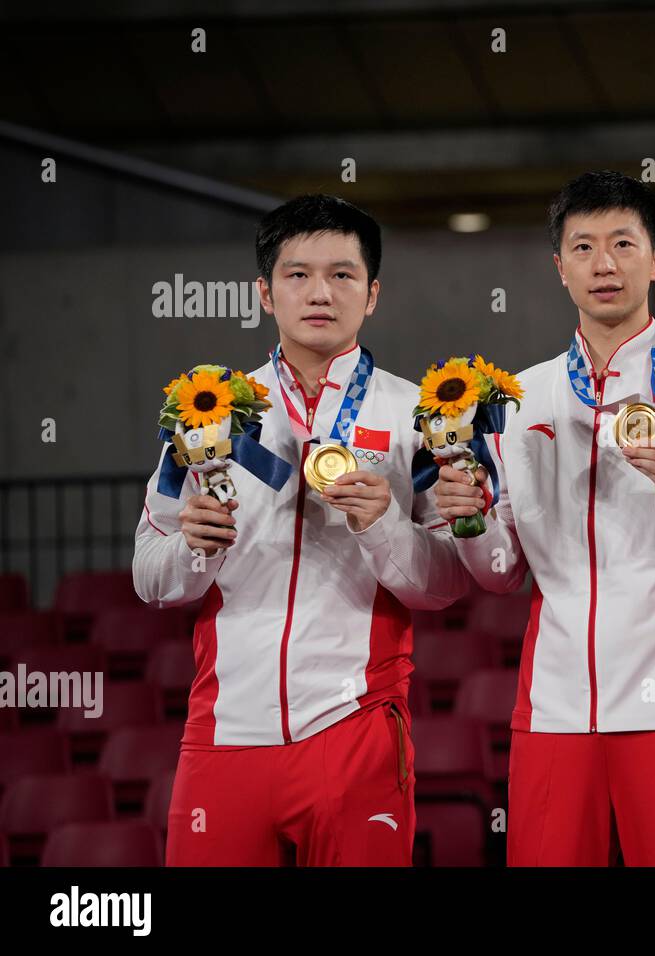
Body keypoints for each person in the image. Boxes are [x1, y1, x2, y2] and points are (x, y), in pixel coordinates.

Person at [433, 171, 655, 865]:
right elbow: (502, 575)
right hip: (555, 712)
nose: (604, 264)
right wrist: (469, 524)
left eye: (623, 243)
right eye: (584, 247)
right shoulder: (515, 400)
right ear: (559, 267)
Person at [133, 194, 470, 865]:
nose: (320, 292)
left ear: (372, 294)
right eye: (297, 274)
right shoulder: (209, 408)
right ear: (265, 292)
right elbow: (150, 577)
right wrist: (192, 551)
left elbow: (447, 586)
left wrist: (383, 529)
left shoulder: (418, 415)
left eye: (343, 275)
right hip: (226, 732)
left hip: (356, 728)